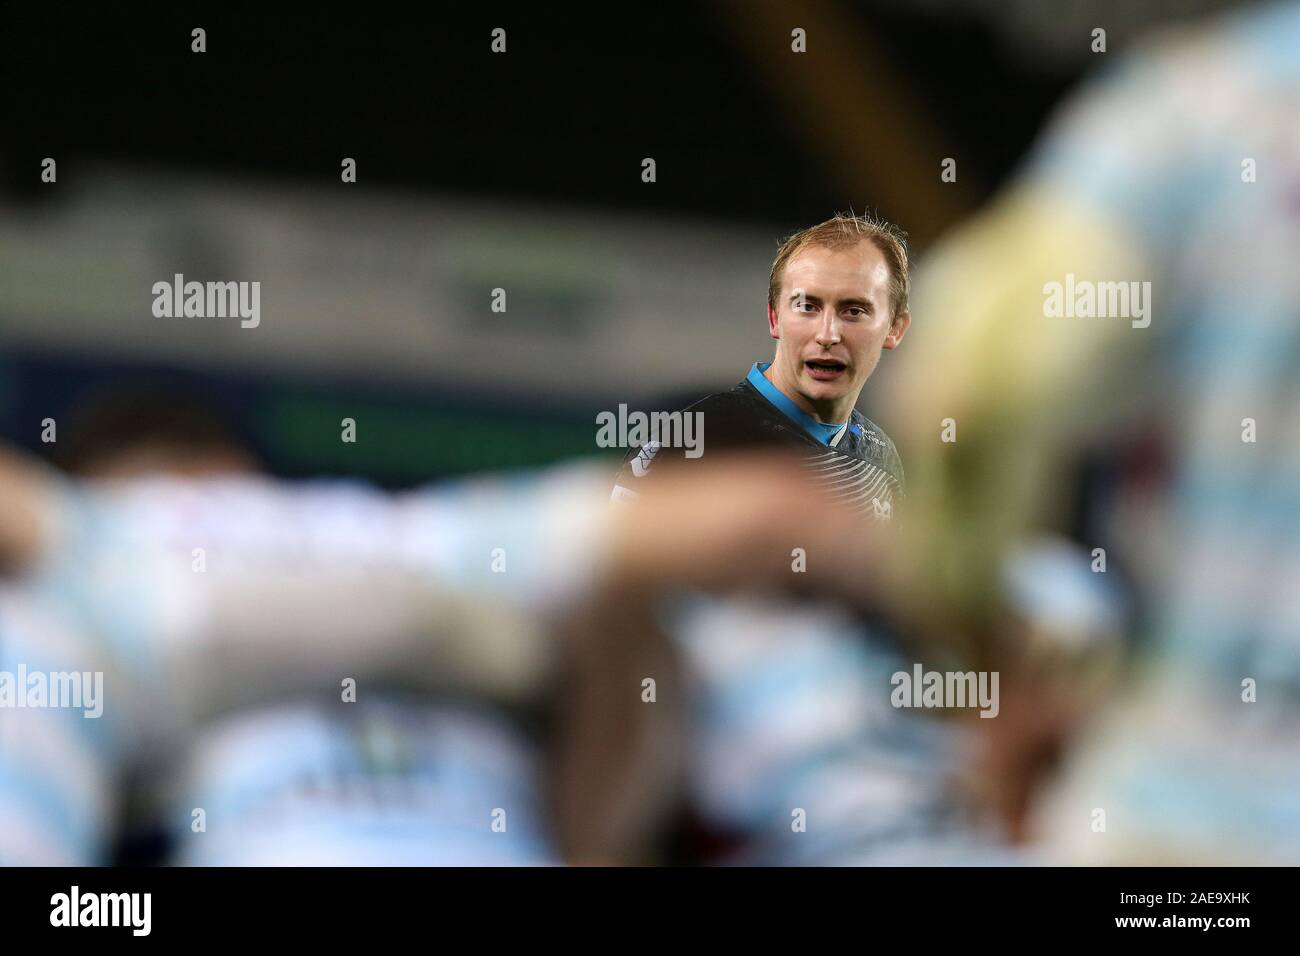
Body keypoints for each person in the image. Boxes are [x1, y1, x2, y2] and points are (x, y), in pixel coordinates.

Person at [613, 213, 910, 517]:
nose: (827, 335)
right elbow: (609, 561)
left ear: (894, 328)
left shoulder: (881, 459)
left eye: (854, 310)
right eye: (807, 307)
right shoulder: (692, 440)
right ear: (774, 318)